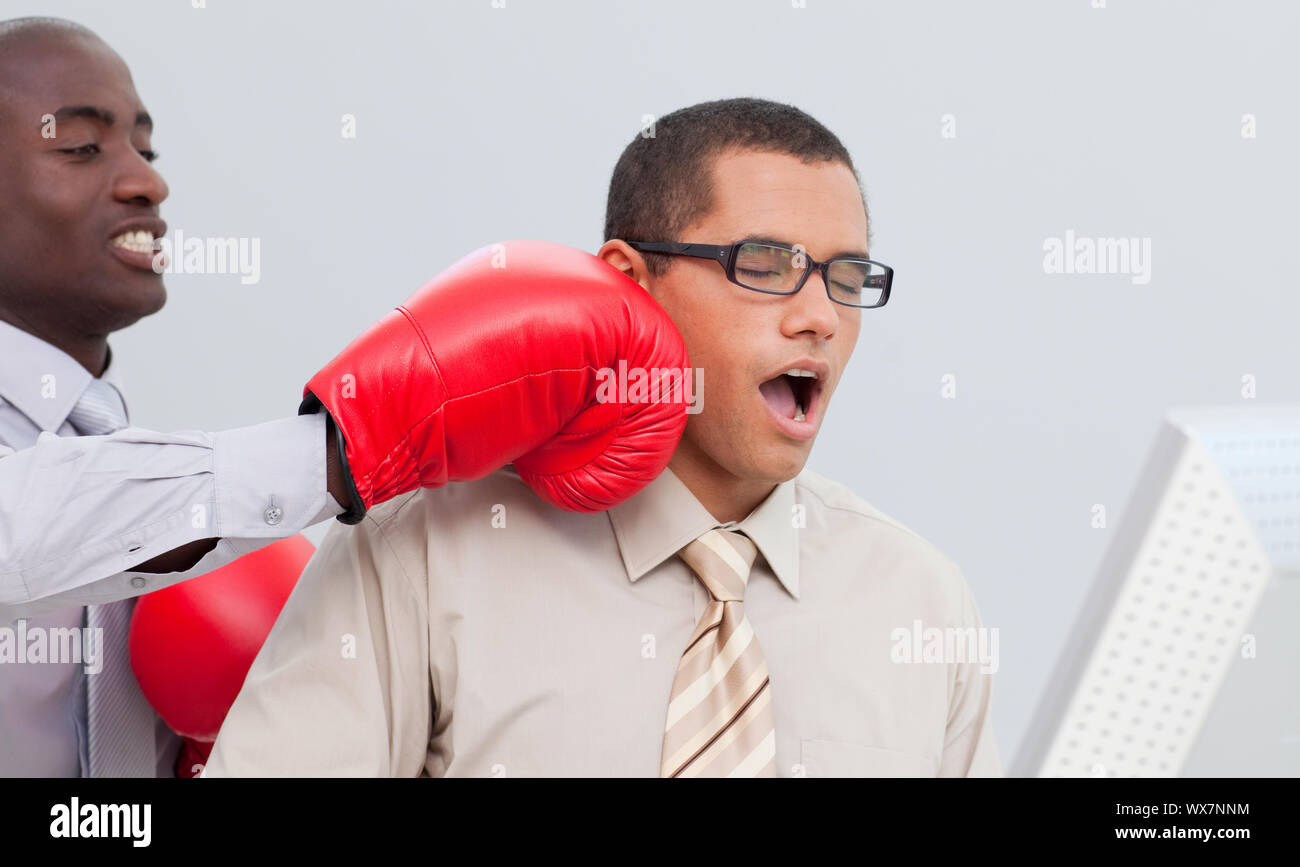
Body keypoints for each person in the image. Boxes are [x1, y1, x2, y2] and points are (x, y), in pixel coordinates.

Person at [204, 98, 1003, 777]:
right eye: (766, 264)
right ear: (628, 282)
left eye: (848, 277)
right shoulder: (425, 550)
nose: (820, 316)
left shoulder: (920, 600)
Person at [0, 17, 686, 777]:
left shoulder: (144, 489)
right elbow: (22, 525)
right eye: (81, 147)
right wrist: (353, 442)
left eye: (147, 148)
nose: (147, 181)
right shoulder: (92, 497)